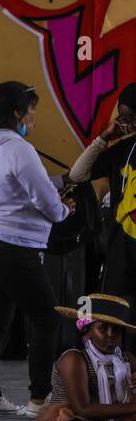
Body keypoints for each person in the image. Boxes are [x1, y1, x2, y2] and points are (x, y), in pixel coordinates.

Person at [0, 81, 73, 418]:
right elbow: (47, 203)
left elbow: (17, 187)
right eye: (31, 112)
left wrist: (55, 186)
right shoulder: (20, 149)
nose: (34, 119)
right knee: (45, 318)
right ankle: (39, 399)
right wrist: (66, 208)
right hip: (16, 247)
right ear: (17, 114)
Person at [29, 294, 136, 421]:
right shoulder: (74, 359)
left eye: (116, 331)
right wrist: (132, 407)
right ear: (87, 331)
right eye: (103, 328)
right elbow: (83, 409)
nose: (110, 335)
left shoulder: (126, 359)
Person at [68, 83, 136, 341]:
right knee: (115, 315)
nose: (125, 125)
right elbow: (78, 174)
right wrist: (104, 138)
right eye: (123, 118)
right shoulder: (124, 149)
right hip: (121, 246)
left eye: (131, 118)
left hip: (123, 244)